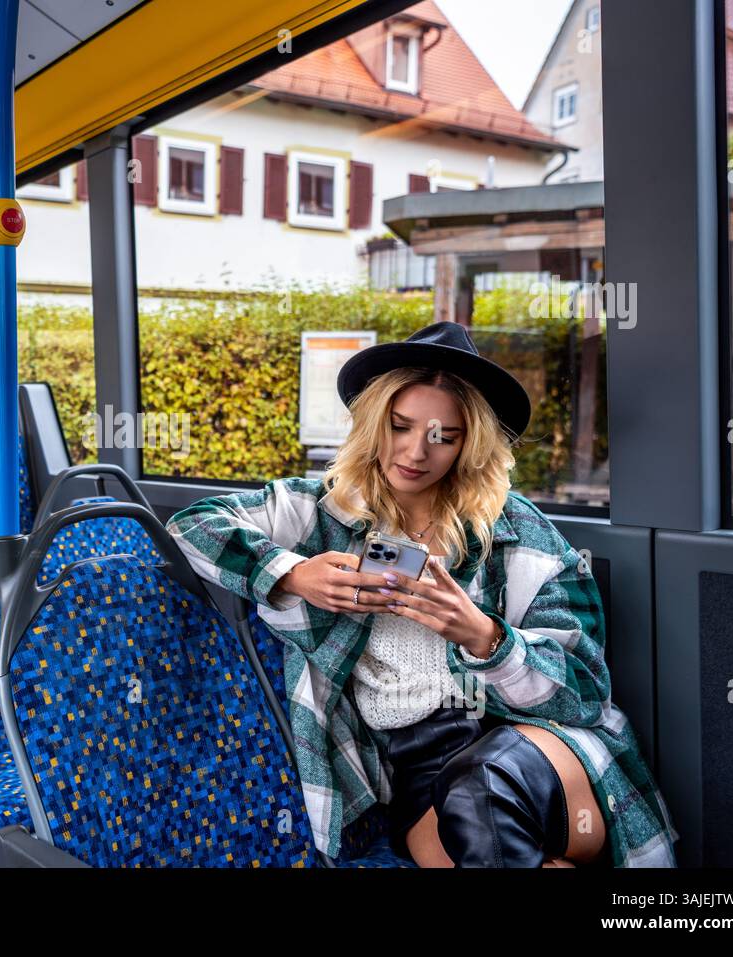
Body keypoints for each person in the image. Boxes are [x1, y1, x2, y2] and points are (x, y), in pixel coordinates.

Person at [165, 320, 679, 867]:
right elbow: (193, 525)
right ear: (373, 422)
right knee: (488, 840)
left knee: (479, 790)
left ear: (469, 444)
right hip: (417, 769)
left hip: (533, 744)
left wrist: (484, 637)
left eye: (444, 436)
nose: (414, 452)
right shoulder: (318, 512)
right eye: (399, 426)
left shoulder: (517, 530)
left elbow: (584, 692)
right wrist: (293, 574)